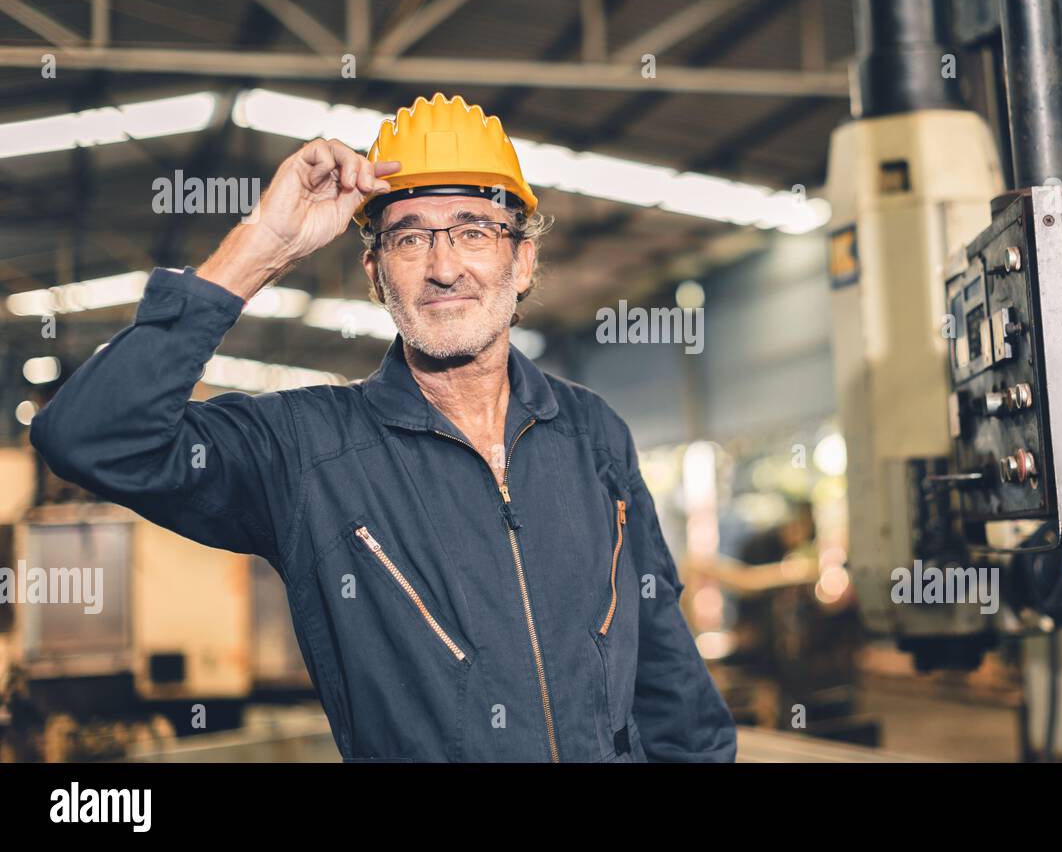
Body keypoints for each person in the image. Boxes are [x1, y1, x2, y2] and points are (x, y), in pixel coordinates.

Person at [30, 93, 736, 763]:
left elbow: (670, 682)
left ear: (522, 261)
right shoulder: (306, 452)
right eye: (409, 239)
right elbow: (90, 437)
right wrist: (263, 246)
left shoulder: (592, 434)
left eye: (473, 230)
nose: (444, 267)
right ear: (375, 274)